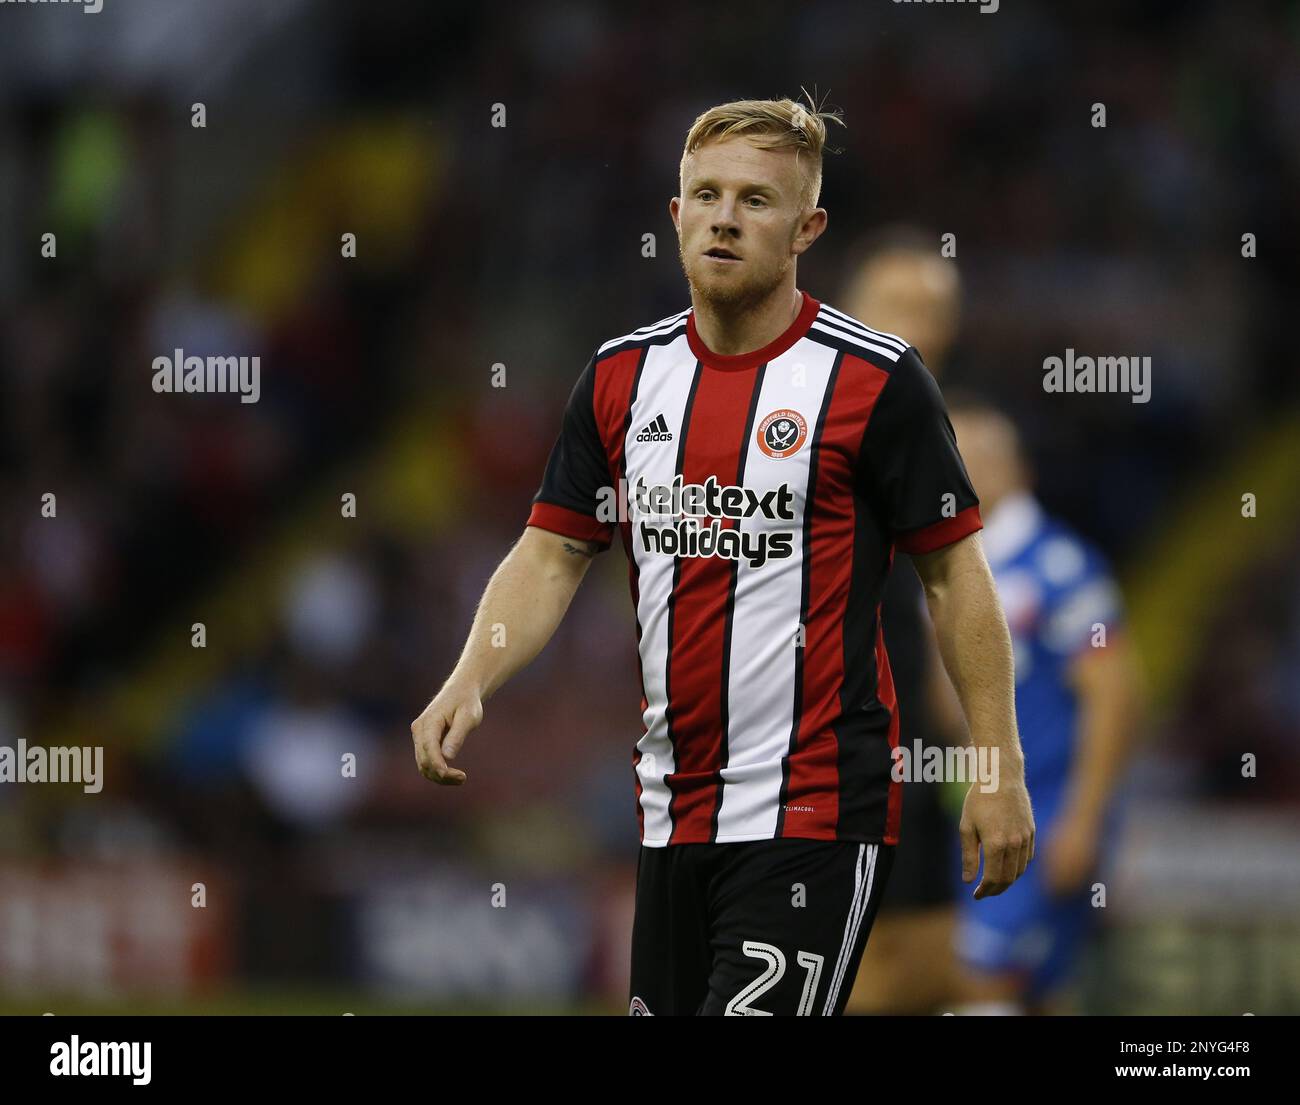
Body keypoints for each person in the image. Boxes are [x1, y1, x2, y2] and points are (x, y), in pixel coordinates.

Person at [411, 95, 1034, 1016]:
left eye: (756, 199)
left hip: (818, 809)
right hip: (671, 811)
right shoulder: (621, 379)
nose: (726, 218)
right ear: (675, 216)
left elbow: (955, 576)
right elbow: (551, 555)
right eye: (705, 195)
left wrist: (998, 764)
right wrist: (471, 673)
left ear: (806, 228)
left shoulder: (875, 381)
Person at [945, 396, 1142, 1014]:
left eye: (981, 457)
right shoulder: (962, 565)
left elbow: (1115, 692)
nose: (965, 470)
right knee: (1042, 991)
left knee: (980, 979)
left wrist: (1085, 817)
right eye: (957, 456)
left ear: (1018, 469)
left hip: (1046, 810)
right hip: (988, 807)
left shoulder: (1060, 568)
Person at [839, 228, 971, 1014]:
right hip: (825, 734)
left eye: (930, 310)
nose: (914, 326)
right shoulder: (811, 425)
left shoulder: (969, 437)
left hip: (921, 741)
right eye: (896, 307)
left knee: (927, 951)